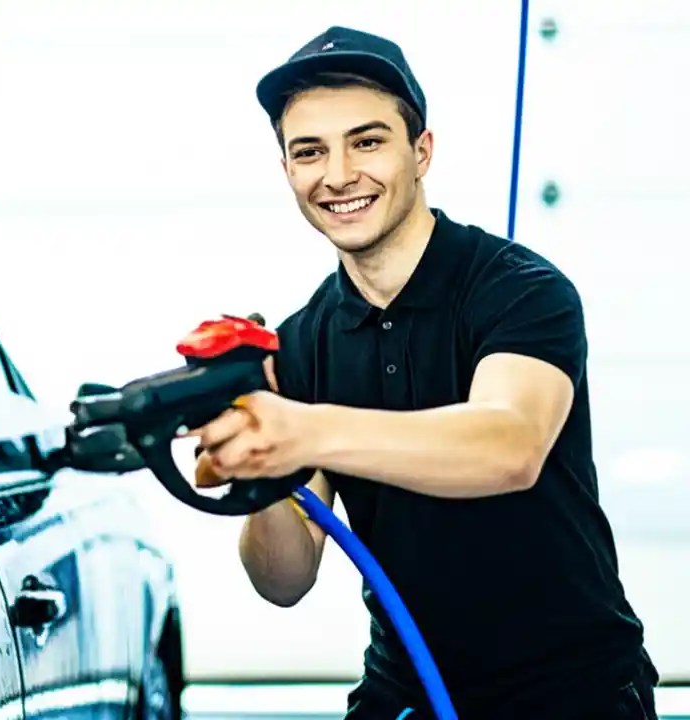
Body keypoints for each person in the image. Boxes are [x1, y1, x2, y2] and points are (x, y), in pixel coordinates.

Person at [188, 25, 659, 720]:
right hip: (405, 694)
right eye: (310, 151)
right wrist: (258, 463)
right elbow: (284, 579)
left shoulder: (518, 289)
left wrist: (303, 430)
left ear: (422, 151)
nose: (338, 175)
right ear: (287, 170)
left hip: (573, 691)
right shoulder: (301, 343)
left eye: (367, 142)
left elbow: (509, 447)